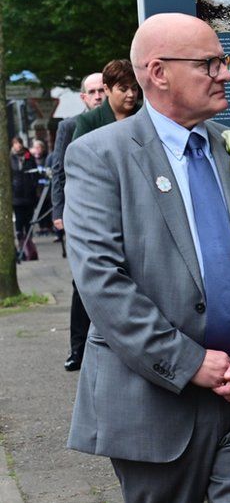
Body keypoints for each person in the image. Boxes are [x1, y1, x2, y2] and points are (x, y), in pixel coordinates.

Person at [63, 12, 230, 503]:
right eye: (210, 63)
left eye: (224, 60)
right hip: (155, 405)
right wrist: (187, 362)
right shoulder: (99, 156)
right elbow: (101, 283)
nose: (226, 73)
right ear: (158, 72)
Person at [59, 61, 142, 372]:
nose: (131, 95)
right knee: (87, 282)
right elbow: (71, 170)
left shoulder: (143, 117)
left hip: (136, 207)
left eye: (135, 88)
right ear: (107, 91)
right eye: (124, 89)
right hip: (100, 208)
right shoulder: (90, 121)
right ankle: (79, 347)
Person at [52, 72, 105, 236]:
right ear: (83, 97)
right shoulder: (69, 126)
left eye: (101, 90)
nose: (97, 96)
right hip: (84, 206)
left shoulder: (126, 122)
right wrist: (58, 209)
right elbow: (59, 170)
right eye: (92, 92)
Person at [10, 136, 38, 258]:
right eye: (16, 143)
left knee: (29, 219)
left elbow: (34, 173)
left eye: (19, 143)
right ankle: (21, 241)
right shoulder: (9, 157)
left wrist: (33, 186)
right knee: (19, 219)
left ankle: (29, 242)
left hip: (28, 194)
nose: (18, 146)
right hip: (16, 194)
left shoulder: (28, 156)